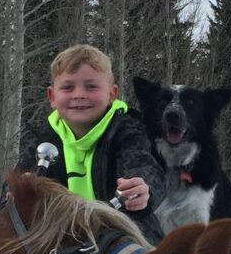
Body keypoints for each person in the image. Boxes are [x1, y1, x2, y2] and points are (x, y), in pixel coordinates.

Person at [15, 44, 165, 238]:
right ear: (52, 97)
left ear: (111, 94)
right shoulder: (44, 139)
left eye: (91, 86)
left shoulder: (126, 132)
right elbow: (16, 182)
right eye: (68, 87)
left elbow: (143, 165)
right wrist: (17, 191)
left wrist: (144, 190)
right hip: (56, 243)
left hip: (122, 236)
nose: (79, 95)